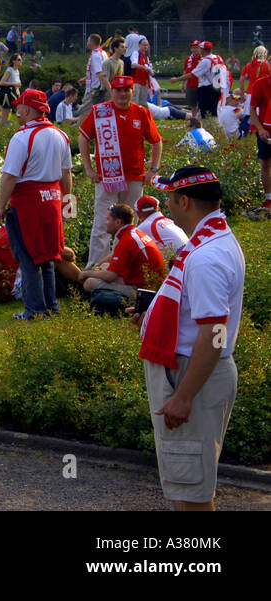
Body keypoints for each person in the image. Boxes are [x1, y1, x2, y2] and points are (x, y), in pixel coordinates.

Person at [135, 166, 244, 511]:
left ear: (183, 201)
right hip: (190, 371)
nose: (167, 205)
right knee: (185, 485)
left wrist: (184, 396)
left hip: (190, 376)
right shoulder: (214, 239)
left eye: (169, 198)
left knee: (192, 495)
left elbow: (214, 333)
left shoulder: (205, 257)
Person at [79, 75, 163, 267]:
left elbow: (156, 141)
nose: (123, 94)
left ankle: (121, 266)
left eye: (127, 90)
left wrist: (153, 170)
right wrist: (89, 169)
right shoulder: (101, 112)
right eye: (118, 90)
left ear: (133, 91)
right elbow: (83, 137)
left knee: (128, 226)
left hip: (134, 178)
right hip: (107, 177)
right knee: (102, 224)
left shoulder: (142, 112)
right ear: (112, 91)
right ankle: (96, 268)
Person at [78, 203, 166, 312]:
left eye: (108, 219)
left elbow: (110, 276)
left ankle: (125, 302)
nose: (105, 222)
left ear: (118, 222)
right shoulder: (133, 233)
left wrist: (86, 273)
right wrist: (97, 265)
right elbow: (115, 255)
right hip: (152, 284)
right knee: (104, 266)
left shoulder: (126, 241)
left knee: (89, 282)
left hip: (144, 291)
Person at [134, 195, 190, 263]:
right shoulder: (170, 221)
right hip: (189, 255)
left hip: (177, 263)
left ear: (138, 213)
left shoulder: (143, 227)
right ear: (158, 209)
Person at [248, 66, 271, 217]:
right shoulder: (260, 84)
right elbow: (252, 109)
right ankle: (269, 198)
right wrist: (260, 129)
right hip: (265, 130)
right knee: (265, 163)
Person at [0, 54, 23, 124]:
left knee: (20, 113)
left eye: (21, 59)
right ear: (14, 61)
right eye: (19, 60)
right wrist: (14, 84)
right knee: (5, 117)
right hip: (8, 96)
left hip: (16, 95)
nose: (21, 61)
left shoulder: (17, 71)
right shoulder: (9, 70)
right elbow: (2, 82)